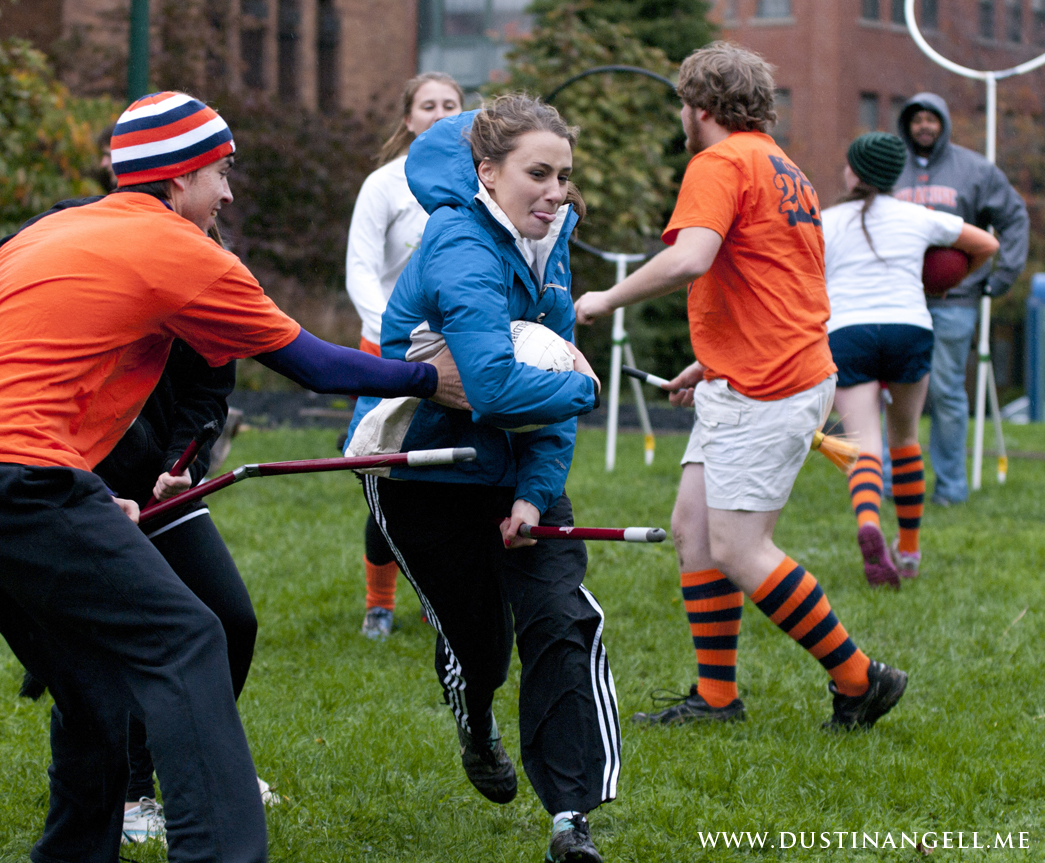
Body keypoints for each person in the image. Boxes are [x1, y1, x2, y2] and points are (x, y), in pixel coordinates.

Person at [0, 91, 468, 863]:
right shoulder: (183, 250)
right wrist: (424, 378)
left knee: (94, 685)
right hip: (16, 476)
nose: (228, 193)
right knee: (188, 639)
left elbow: (11, 371)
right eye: (220, 174)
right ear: (178, 180)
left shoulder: (54, 228)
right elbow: (310, 363)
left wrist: (88, 490)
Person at [575, 42, 907, 731]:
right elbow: (772, 276)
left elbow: (692, 257)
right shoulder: (784, 167)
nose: (682, 119)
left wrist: (606, 299)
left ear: (699, 108)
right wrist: (712, 357)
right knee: (694, 532)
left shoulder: (719, 161)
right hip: (765, 369)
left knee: (737, 546)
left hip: (769, 384)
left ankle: (860, 679)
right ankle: (717, 698)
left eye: (682, 107)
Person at [348, 94, 615, 863]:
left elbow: (541, 373)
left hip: (515, 466)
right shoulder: (458, 241)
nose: (556, 192)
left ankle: (571, 819)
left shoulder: (553, 238)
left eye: (563, 175)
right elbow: (494, 386)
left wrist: (535, 489)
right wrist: (585, 387)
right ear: (487, 171)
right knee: (481, 646)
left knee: (562, 622)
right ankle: (477, 722)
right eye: (538, 173)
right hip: (421, 473)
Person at [0, 197, 269, 842]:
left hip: (151, 479)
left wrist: (185, 462)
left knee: (227, 621)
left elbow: (212, 389)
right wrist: (65, 290)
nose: (224, 195)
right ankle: (128, 800)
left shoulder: (209, 269)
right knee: (110, 652)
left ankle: (198, 763)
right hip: (57, 468)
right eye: (215, 174)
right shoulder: (77, 227)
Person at [823, 132, 999, 586]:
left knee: (863, 443)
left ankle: (868, 522)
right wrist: (944, 285)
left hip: (849, 332)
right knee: (905, 439)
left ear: (854, 172)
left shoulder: (825, 221)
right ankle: (910, 551)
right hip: (909, 327)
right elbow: (987, 246)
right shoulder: (919, 217)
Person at [345, 72, 464, 639]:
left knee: (452, 478)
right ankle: (379, 604)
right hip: (390, 353)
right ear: (408, 119)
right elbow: (361, 270)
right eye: (428, 105)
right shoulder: (384, 184)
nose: (439, 113)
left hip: (458, 353)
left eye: (451, 104)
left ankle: (441, 597)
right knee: (386, 477)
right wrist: (392, 340)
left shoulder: (482, 188)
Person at [893, 94, 1029, 505]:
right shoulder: (890, 167)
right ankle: (888, 482)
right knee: (892, 391)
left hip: (955, 301)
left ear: (944, 123)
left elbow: (1015, 216)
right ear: (907, 125)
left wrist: (1004, 274)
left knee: (946, 391)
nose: (924, 126)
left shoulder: (974, 169)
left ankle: (950, 488)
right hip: (897, 296)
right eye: (916, 119)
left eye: (931, 119)